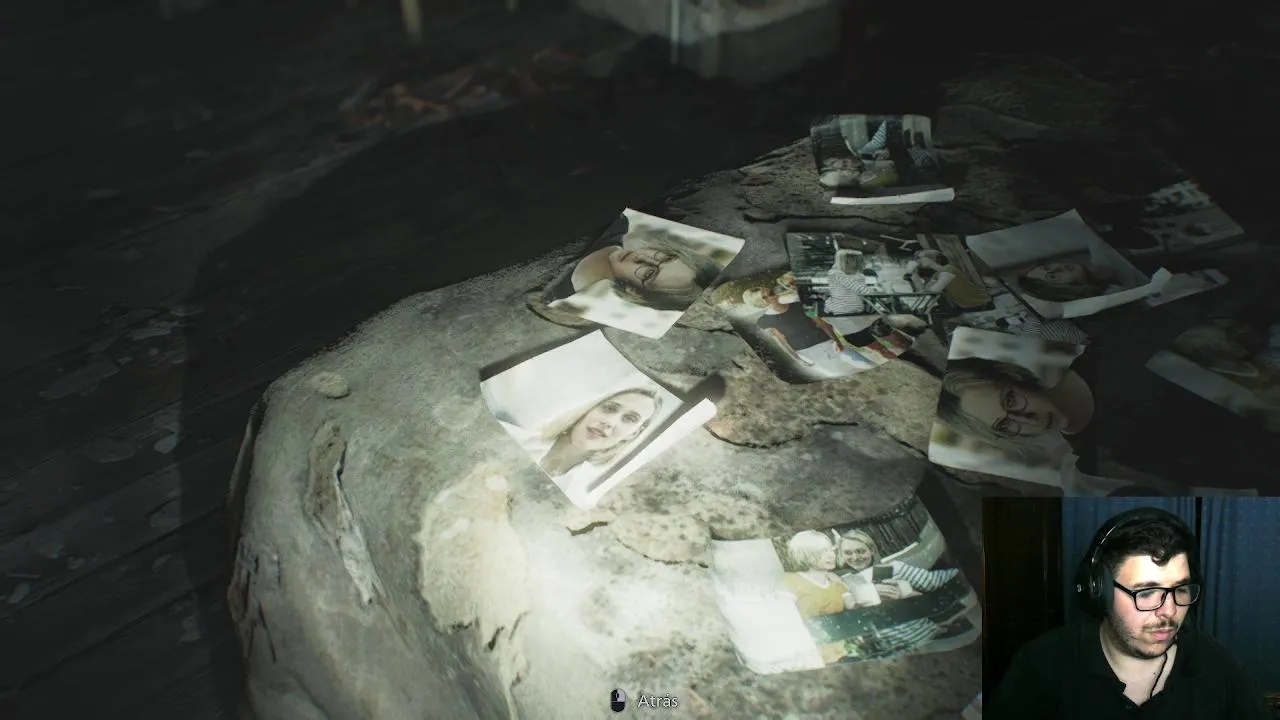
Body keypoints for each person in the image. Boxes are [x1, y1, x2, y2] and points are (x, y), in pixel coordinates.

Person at [985, 507, 1272, 719]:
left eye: (1181, 589)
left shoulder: (1218, 666)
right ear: (1099, 592)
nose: (1170, 612)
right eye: (1146, 593)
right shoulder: (1041, 666)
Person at [936, 356, 1095, 451]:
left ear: (1013, 376)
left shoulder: (1101, 360)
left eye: (1010, 401)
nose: (1030, 420)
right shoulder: (1089, 462)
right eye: (1004, 425)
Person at [556, 225, 725, 311]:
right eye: (665, 257)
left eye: (649, 273)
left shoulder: (559, 297)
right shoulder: (619, 224)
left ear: (634, 291)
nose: (641, 258)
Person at [509, 388, 662, 478]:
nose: (610, 422)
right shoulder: (513, 438)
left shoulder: (579, 495)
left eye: (630, 419)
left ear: (633, 434)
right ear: (589, 409)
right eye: (609, 408)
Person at [742, 285, 875, 372]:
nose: (773, 295)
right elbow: (781, 342)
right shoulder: (764, 322)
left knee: (868, 365)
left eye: (771, 292)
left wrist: (837, 341)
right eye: (768, 295)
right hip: (809, 355)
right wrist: (798, 360)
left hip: (830, 345)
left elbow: (822, 324)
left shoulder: (800, 305)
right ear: (762, 302)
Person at [1015, 261, 1123, 303]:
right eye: (1053, 276)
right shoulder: (1112, 296)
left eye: (1047, 267)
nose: (1058, 267)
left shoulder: (1102, 255)